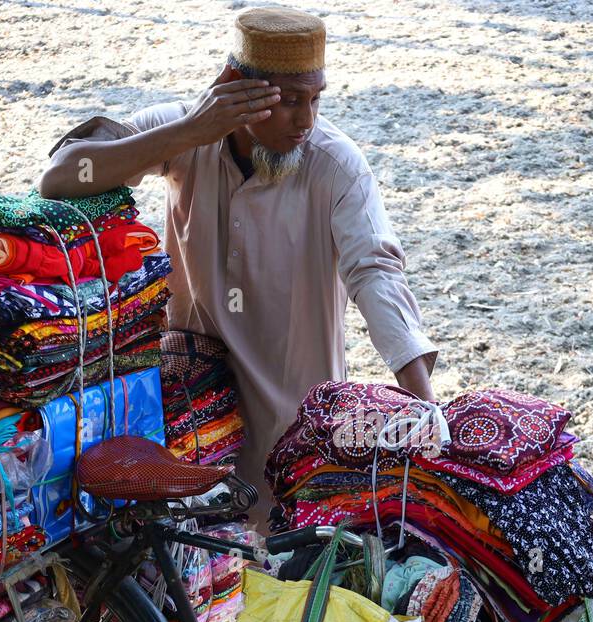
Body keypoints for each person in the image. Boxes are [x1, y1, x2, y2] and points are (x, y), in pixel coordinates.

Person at [39, 6, 437, 523]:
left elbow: (376, 274)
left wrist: (426, 405)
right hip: (186, 417)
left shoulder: (336, 165)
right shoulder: (184, 136)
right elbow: (63, 177)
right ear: (235, 87)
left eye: (315, 99)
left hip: (290, 429)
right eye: (289, 101)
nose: (306, 120)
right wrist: (191, 131)